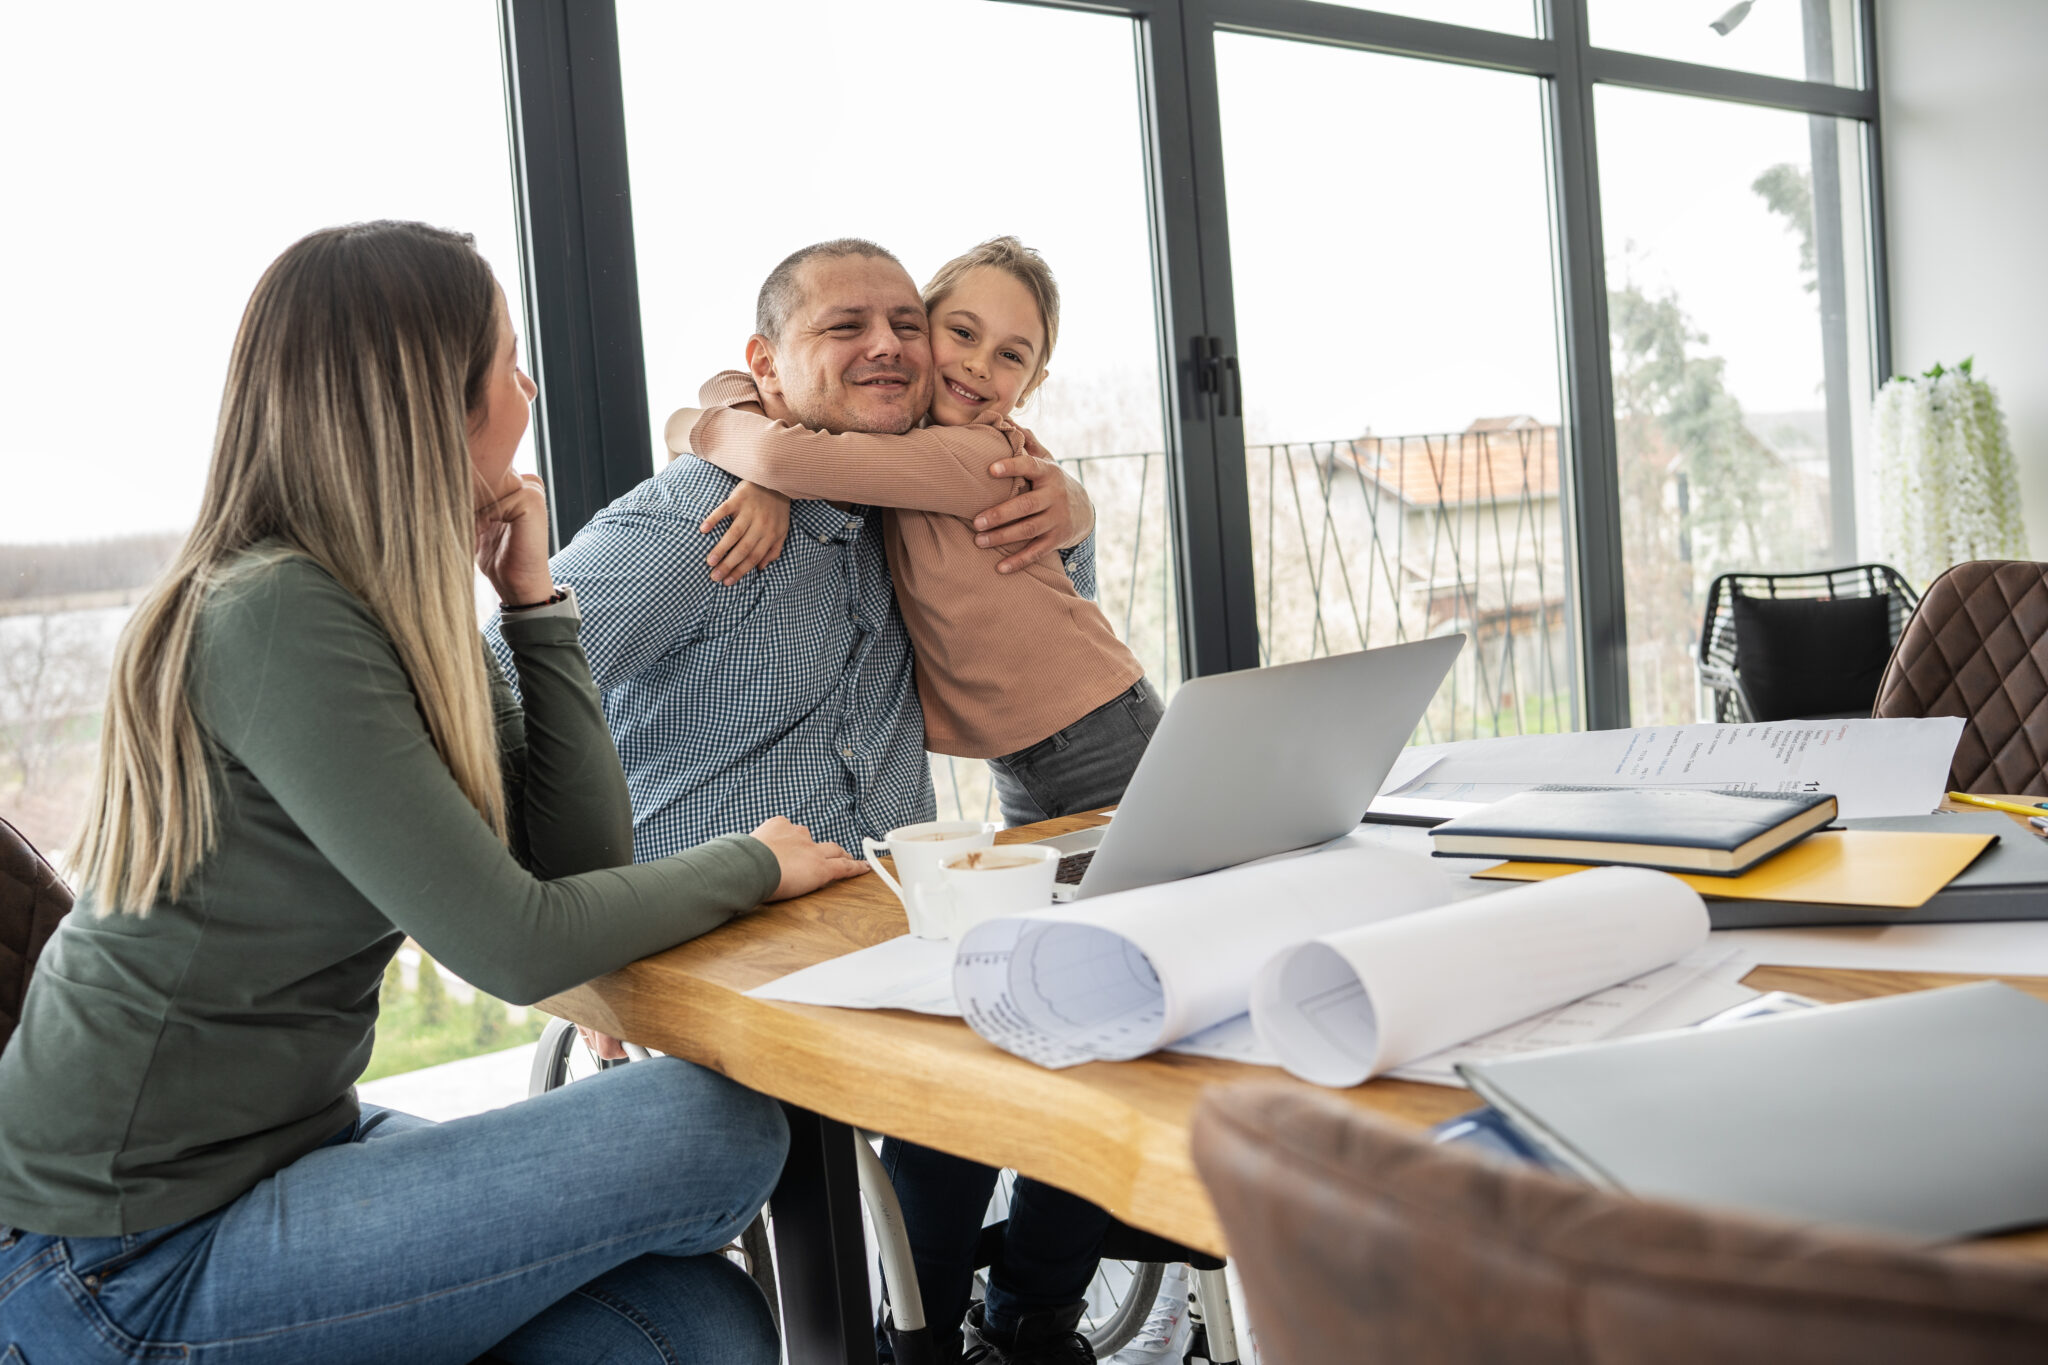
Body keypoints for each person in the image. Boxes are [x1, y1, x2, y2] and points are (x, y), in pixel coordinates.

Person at [0, 220, 865, 1365]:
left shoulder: (379, 610)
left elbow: (580, 869)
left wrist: (532, 603)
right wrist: (755, 861)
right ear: (431, 405)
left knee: (692, 1326)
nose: (531, 387)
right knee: (713, 1127)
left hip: (290, 1156)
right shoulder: (272, 613)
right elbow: (516, 946)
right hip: (120, 1256)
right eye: (507, 363)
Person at [667, 238, 1162, 1364]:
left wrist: (738, 449)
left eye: (1013, 354)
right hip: (1035, 775)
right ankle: (982, 1315)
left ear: (1033, 386)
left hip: (1109, 754)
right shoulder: (887, 447)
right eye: (959, 333)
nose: (979, 365)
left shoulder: (963, 459)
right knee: (1054, 1028)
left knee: (1084, 1033)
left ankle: (1012, 1312)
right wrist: (745, 451)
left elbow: (766, 436)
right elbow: (760, 419)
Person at [482, 237, 1098, 864]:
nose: (886, 345)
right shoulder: (689, 524)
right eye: (846, 326)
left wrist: (1077, 508)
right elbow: (475, 700)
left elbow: (1060, 607)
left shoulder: (916, 503)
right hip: (721, 936)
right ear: (767, 365)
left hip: (904, 915)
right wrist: (558, 904)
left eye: (907, 326)